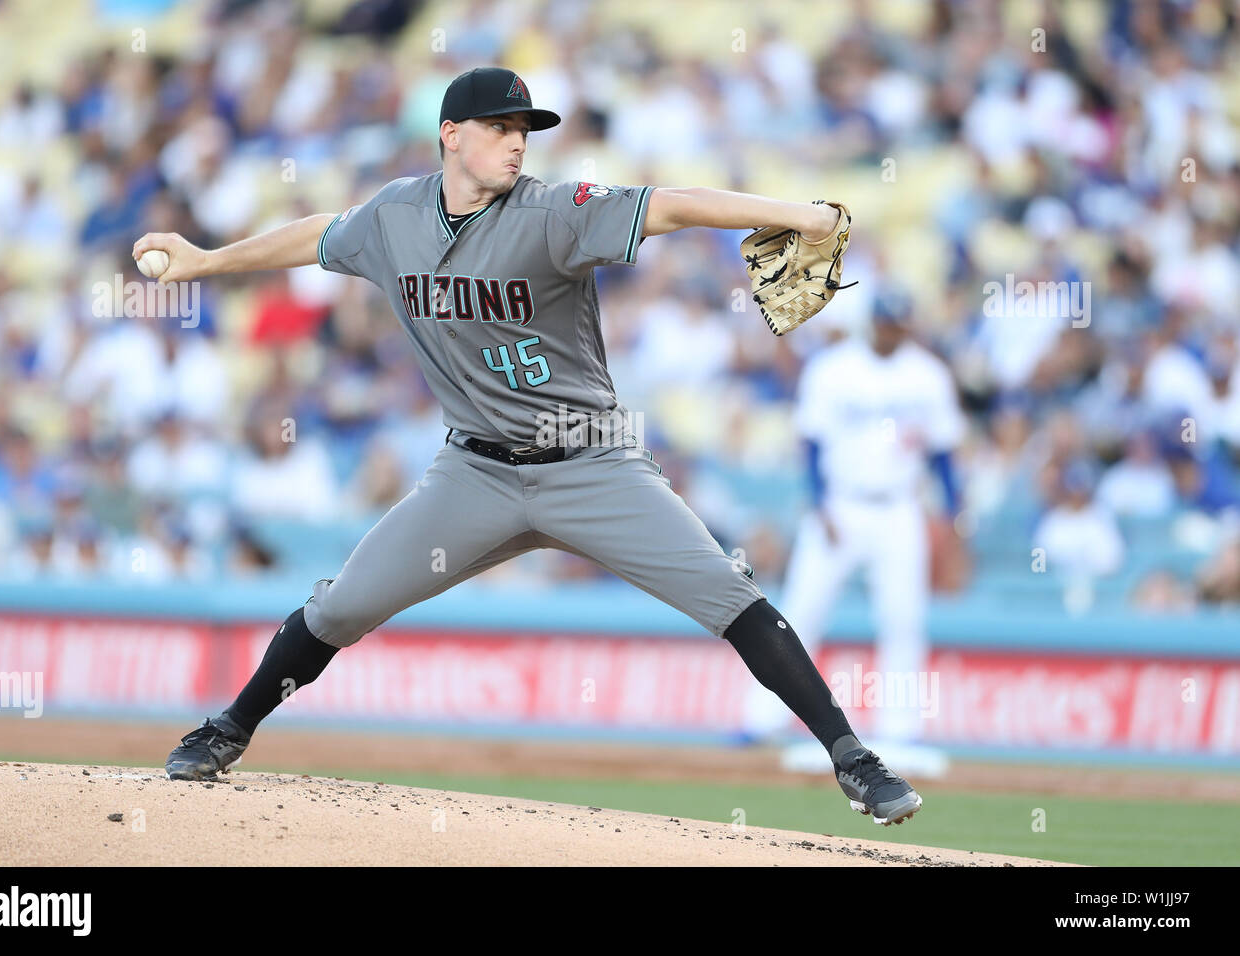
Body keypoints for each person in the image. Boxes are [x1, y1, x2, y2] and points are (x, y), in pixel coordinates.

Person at [137, 67, 924, 825]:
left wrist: (805, 216)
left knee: (730, 595)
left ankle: (856, 760)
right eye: (500, 127)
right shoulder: (393, 216)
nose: (518, 143)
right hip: (472, 474)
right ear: (450, 135)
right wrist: (210, 261)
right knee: (342, 605)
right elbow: (320, 237)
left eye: (525, 129)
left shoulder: (556, 211)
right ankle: (227, 730)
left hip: (591, 464)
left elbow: (674, 206)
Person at [741, 287, 965, 778]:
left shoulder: (927, 375)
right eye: (885, 322)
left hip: (899, 508)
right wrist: (821, 504)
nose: (890, 330)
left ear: (907, 327)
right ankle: (762, 721)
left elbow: (945, 453)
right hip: (839, 505)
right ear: (873, 322)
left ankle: (901, 728)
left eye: (898, 324)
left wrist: (953, 516)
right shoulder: (834, 368)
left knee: (903, 618)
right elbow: (813, 443)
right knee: (798, 613)